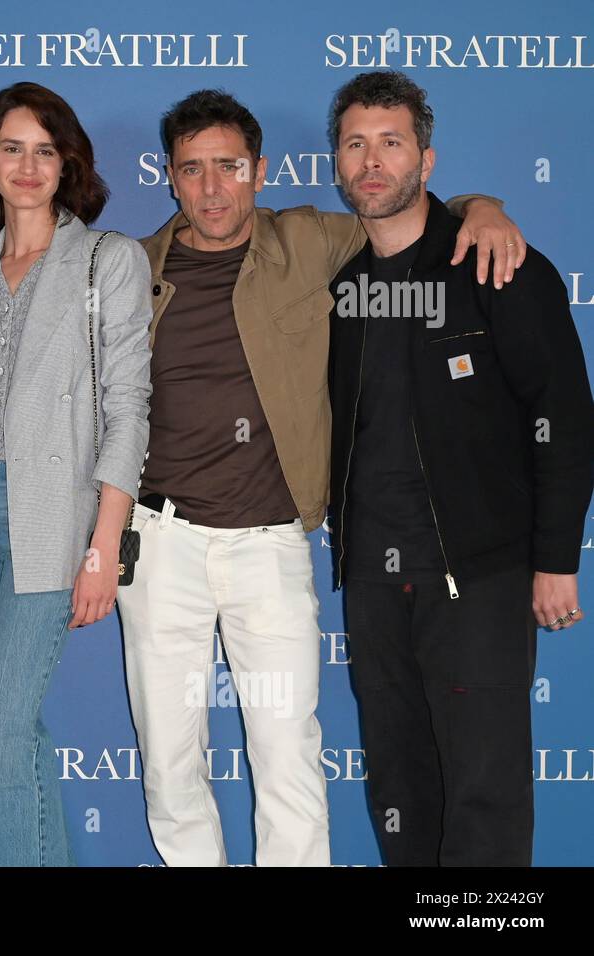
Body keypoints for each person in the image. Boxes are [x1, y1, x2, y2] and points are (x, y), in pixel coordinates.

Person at [117, 88, 525, 866]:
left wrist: (484, 205)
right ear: (169, 177)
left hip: (269, 547)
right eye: (191, 170)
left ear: (259, 170)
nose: (211, 189)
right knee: (170, 764)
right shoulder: (131, 269)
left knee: (288, 756)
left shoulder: (313, 242)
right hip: (161, 545)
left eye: (228, 167)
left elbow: (405, 214)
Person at [327, 70, 594, 866]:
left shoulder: (498, 267)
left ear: (427, 160)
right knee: (400, 789)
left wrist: (555, 563)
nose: (372, 161)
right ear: (337, 163)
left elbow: (566, 419)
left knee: (484, 790)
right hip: (375, 581)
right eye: (355, 144)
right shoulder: (340, 290)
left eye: (392, 143)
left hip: (481, 576)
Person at [0, 82, 153, 866]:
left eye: (45, 149)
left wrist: (105, 544)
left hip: (53, 520)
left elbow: (129, 408)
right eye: (12, 149)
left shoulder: (109, 259)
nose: (28, 166)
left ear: (68, 162)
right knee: (5, 741)